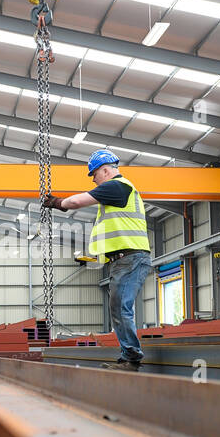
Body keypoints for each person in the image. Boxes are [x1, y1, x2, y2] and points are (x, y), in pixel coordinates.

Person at [42, 149, 152, 371]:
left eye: (94, 174)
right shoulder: (119, 191)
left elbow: (75, 202)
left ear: (105, 170)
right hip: (125, 259)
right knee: (118, 308)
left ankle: (132, 359)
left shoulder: (117, 186)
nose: (93, 179)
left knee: (121, 307)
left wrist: (56, 202)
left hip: (130, 258)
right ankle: (128, 356)